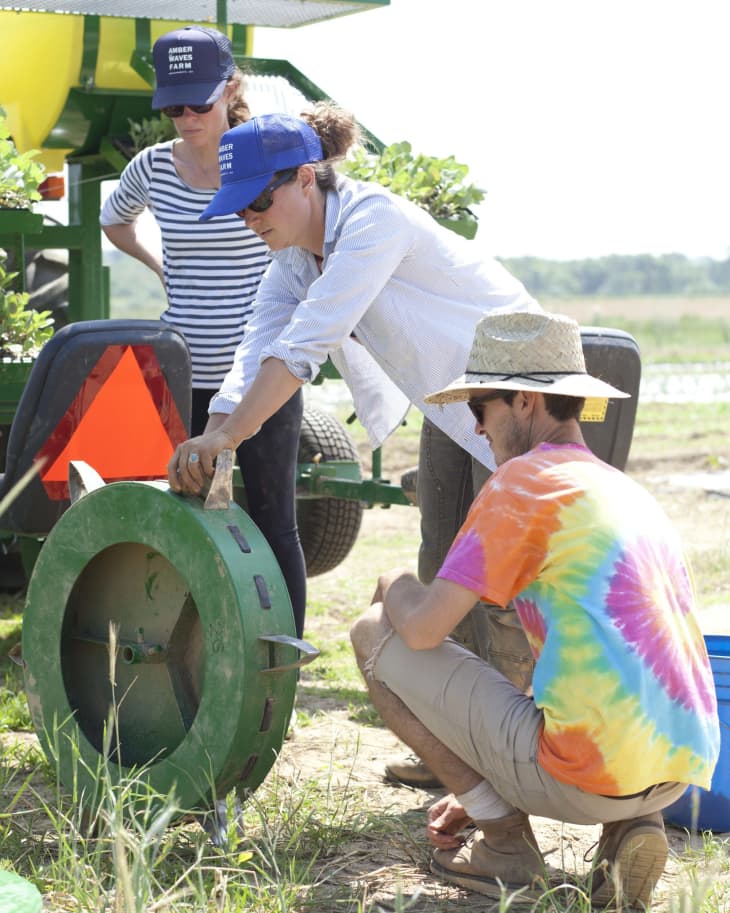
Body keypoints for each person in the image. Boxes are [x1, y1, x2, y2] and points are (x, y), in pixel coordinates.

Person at [166, 105, 542, 767]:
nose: (250, 221)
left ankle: (527, 751)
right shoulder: (292, 262)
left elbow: (303, 347)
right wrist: (214, 429)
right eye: (237, 209)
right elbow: (258, 350)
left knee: (504, 580)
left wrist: (227, 439)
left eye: (258, 201)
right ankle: (462, 740)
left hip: (518, 392)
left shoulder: (374, 221)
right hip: (450, 402)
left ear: (305, 178)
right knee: (441, 563)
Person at [349, 310, 720, 906]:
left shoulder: (523, 484)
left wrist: (391, 580)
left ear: (524, 402)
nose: (478, 430)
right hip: (679, 767)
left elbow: (421, 630)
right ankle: (631, 829)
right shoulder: (618, 487)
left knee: (374, 632)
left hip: (588, 776)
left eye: (480, 411)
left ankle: (503, 839)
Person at [100, 26, 307, 640]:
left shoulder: (263, 160)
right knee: (187, 516)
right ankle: (196, 651)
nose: (187, 118)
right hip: (183, 372)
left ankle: (280, 659)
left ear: (232, 88)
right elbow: (116, 222)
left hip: (263, 376)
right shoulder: (152, 168)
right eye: (173, 106)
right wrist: (161, 266)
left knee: (273, 516)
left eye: (200, 103)